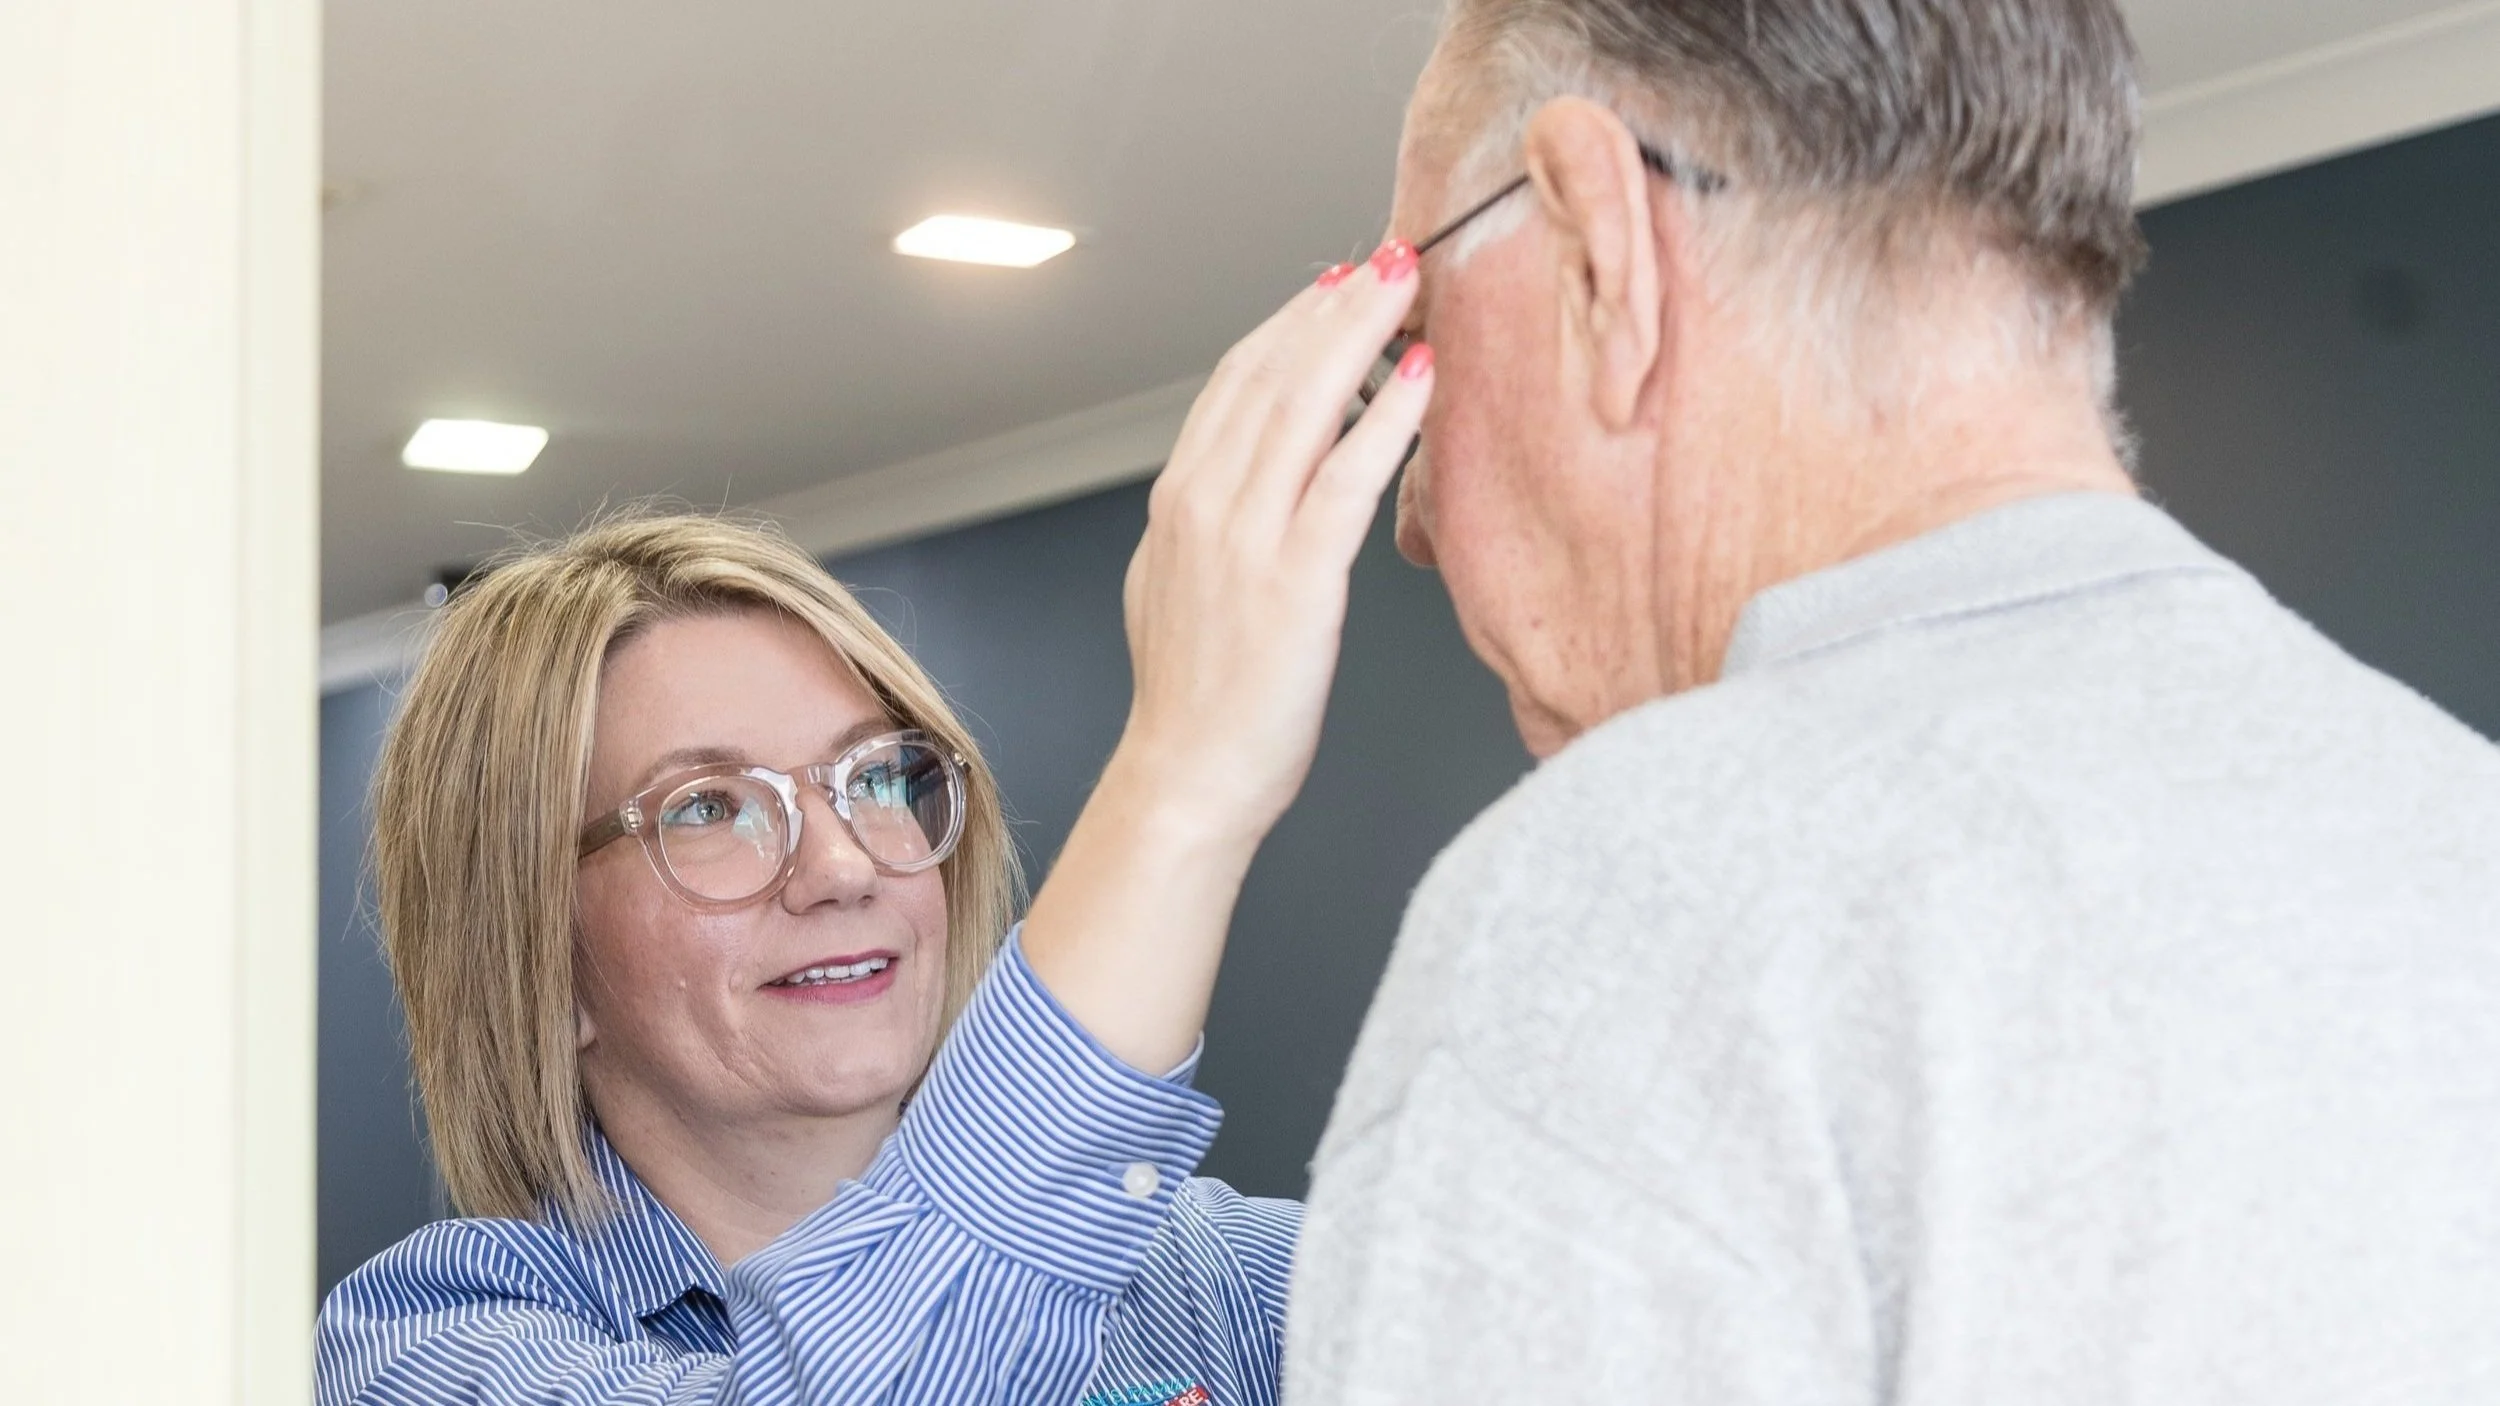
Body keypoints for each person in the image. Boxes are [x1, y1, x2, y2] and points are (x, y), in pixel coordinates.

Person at [1177, 0, 2500, 1402]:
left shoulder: (1626, 895)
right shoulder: (2456, 817)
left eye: (1426, 336)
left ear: (1598, 249)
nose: (1418, 518)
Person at [315, 240, 1430, 1406]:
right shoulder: (428, 1350)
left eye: (875, 777)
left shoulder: (1220, 1286)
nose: (843, 865)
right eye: (710, 809)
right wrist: (1178, 783)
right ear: (540, 952)